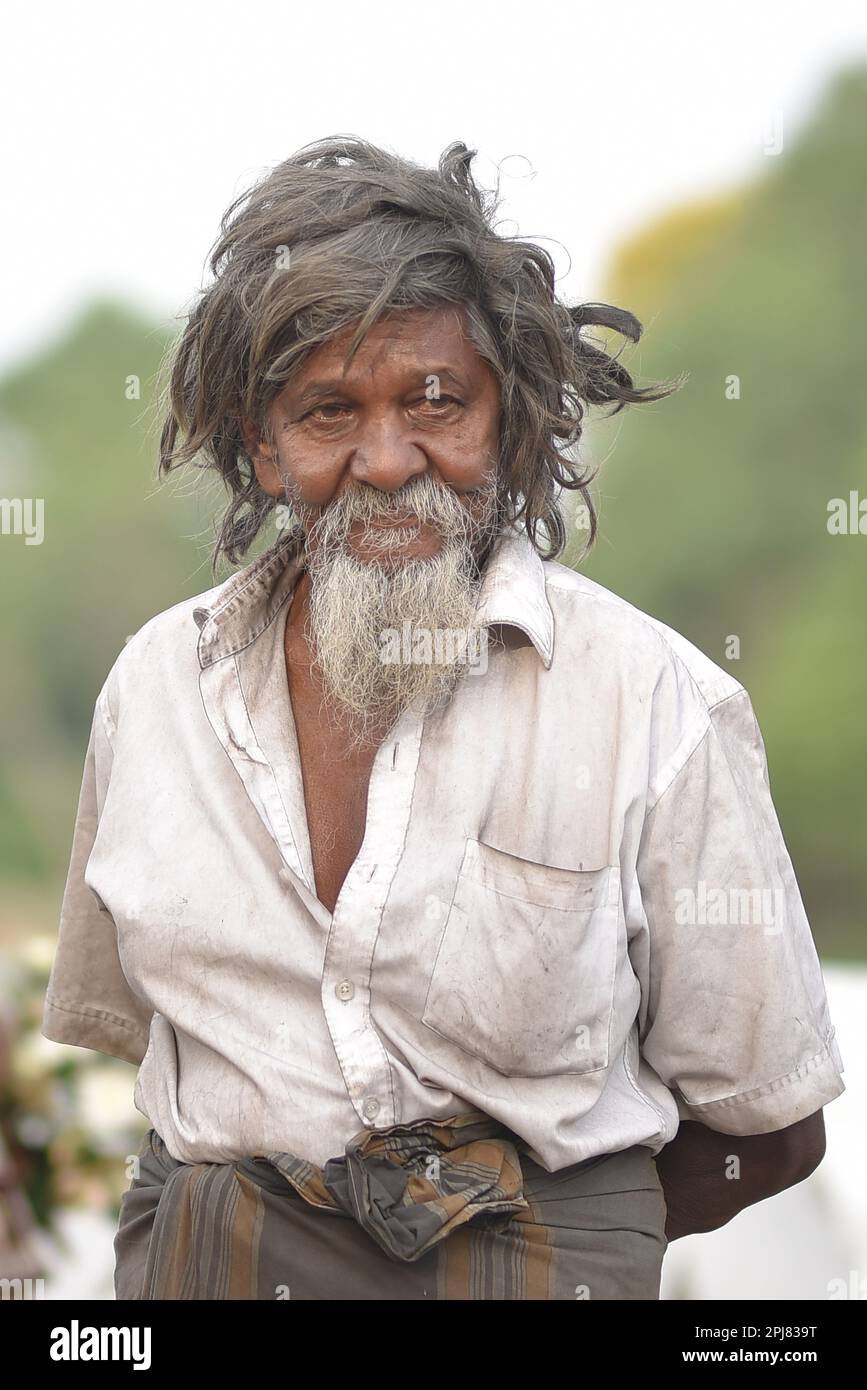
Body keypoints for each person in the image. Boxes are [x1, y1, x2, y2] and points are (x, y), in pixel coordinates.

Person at [42, 136, 845, 1301]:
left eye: (435, 400)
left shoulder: (659, 705)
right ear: (263, 446)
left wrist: (538, 1253)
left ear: (505, 420)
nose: (386, 458)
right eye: (328, 411)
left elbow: (771, 1132)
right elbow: (147, 1049)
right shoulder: (155, 691)